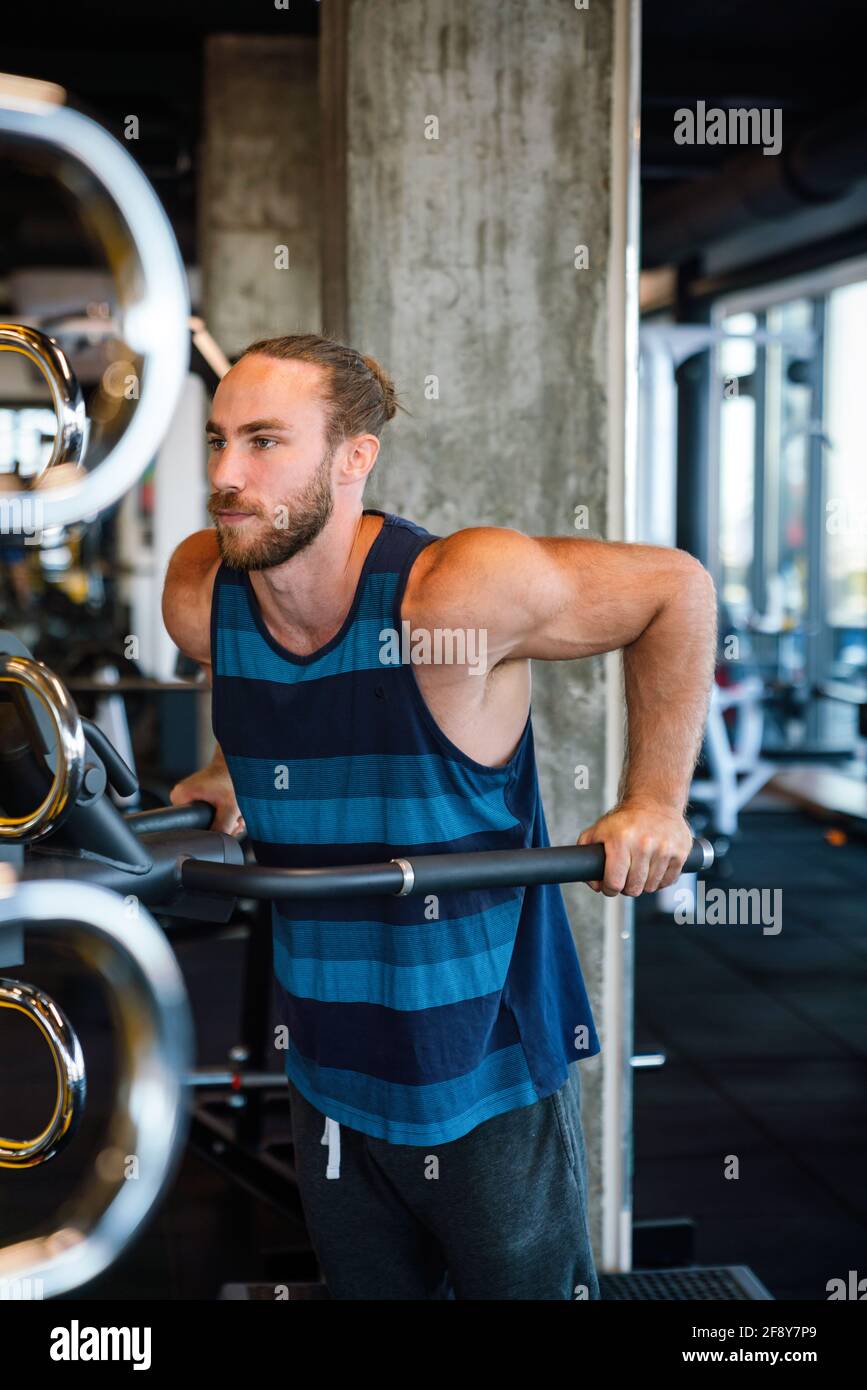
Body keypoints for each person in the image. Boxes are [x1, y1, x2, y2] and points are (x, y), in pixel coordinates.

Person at [162, 333, 716, 1300]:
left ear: (352, 459)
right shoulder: (202, 594)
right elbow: (247, 687)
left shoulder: (453, 593)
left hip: (480, 1066)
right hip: (326, 1060)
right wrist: (229, 768)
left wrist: (653, 803)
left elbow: (676, 589)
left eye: (262, 442)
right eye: (216, 442)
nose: (225, 475)